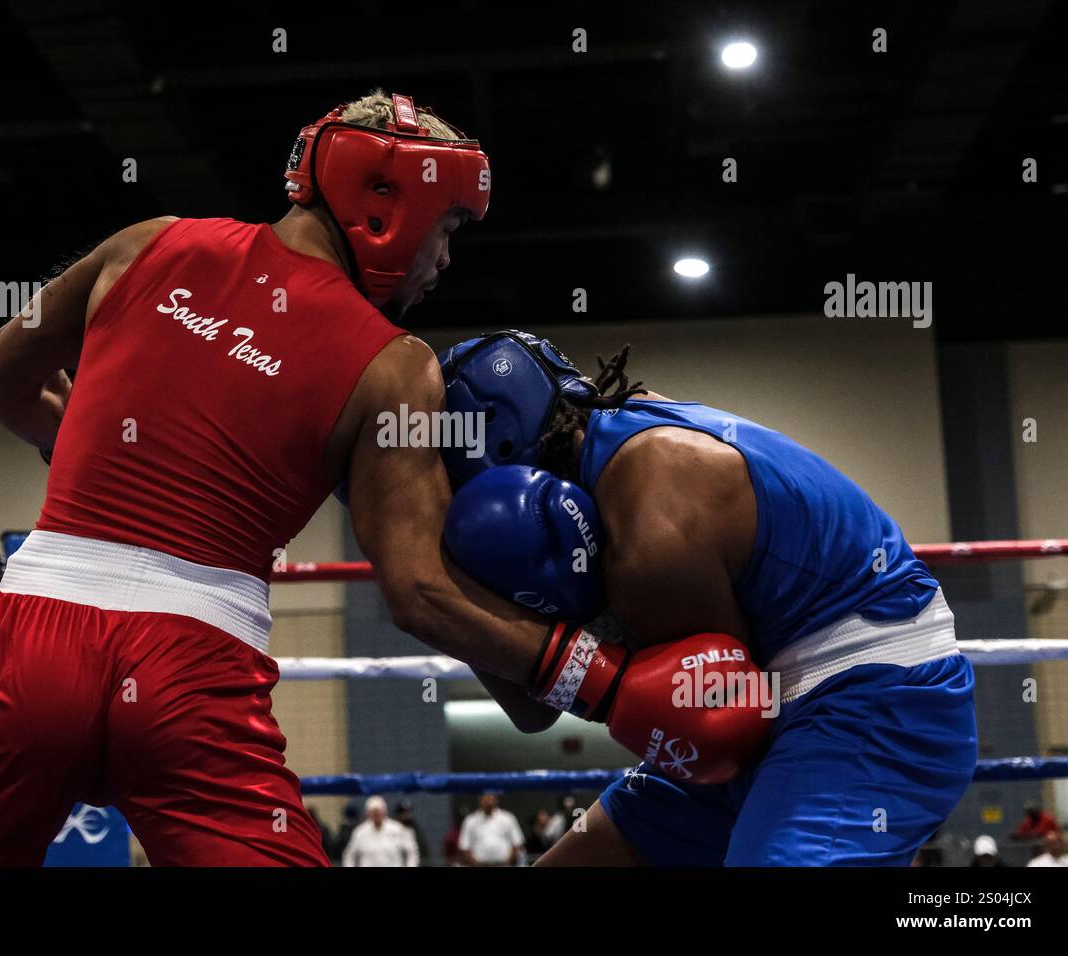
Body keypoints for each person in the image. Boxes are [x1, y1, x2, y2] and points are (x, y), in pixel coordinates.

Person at [0, 90, 566, 866]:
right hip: (191, 671)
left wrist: (85, 442)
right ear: (387, 202)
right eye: (446, 231)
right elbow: (419, 591)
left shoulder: (148, 242)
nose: (444, 261)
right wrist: (585, 671)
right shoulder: (394, 363)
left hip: (37, 635)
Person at [437, 331, 979, 866]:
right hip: (775, 695)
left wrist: (455, 584)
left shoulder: (651, 537)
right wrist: (453, 581)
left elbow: (717, 718)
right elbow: (531, 713)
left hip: (873, 692)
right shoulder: (625, 418)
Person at [342, 797, 419, 867]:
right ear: (368, 814)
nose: (376, 815)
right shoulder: (360, 832)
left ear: (384, 812)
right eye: (373, 813)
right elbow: (349, 855)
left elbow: (411, 852)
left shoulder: (398, 829)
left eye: (378, 812)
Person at [458, 792, 526, 866]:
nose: (488, 800)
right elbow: (465, 847)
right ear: (480, 799)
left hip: (503, 864)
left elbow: (517, 843)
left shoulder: (508, 818)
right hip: (479, 865)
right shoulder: (470, 820)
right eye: (486, 797)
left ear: (496, 799)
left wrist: (507, 862)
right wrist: (477, 864)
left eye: (491, 797)